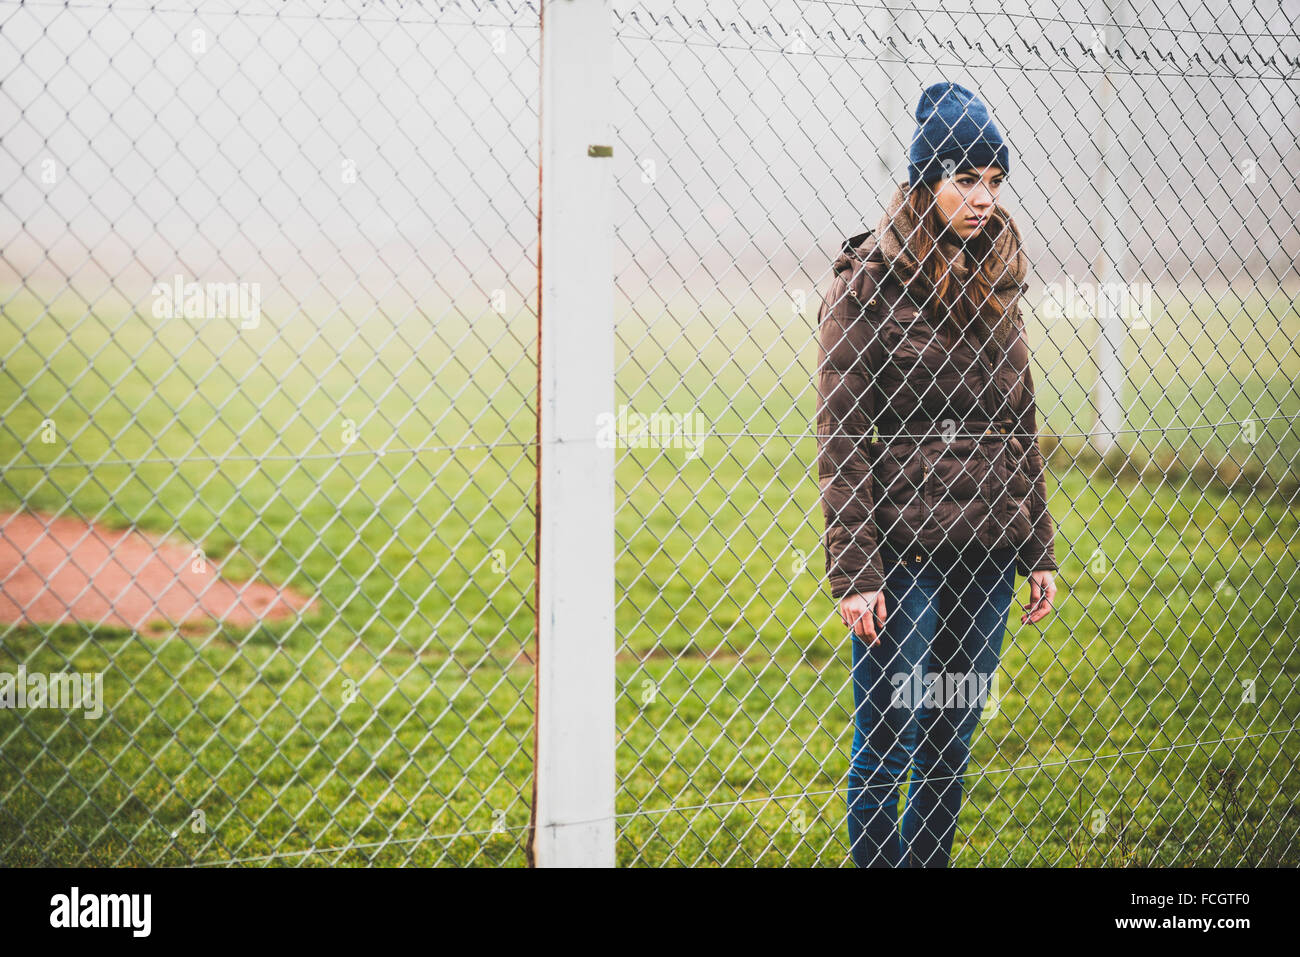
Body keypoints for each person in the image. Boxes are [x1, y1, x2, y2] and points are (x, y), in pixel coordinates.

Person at [814, 81, 1059, 867]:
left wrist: (1039, 549)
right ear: (925, 180)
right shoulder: (869, 284)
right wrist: (856, 570)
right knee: (889, 744)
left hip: (988, 556)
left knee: (950, 747)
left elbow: (1021, 425)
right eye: (965, 178)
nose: (983, 198)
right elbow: (842, 435)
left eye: (995, 180)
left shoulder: (1001, 284)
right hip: (904, 558)